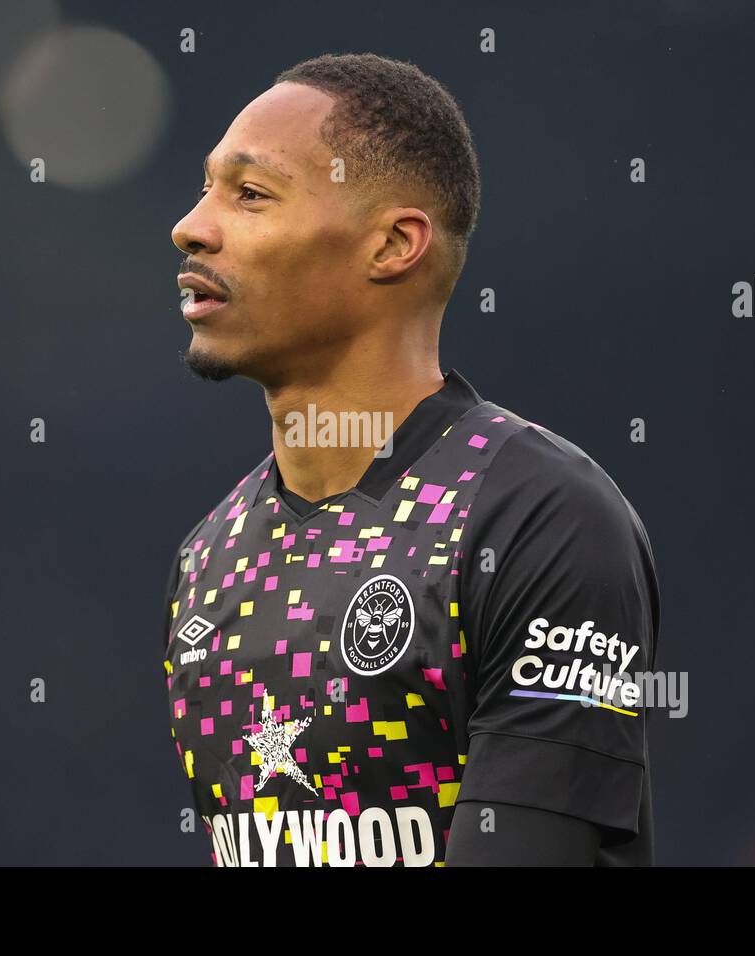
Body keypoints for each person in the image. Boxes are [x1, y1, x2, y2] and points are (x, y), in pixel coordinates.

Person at [163, 52, 660, 866]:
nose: (192, 225)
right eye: (205, 188)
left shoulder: (536, 517)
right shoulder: (210, 559)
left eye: (249, 195)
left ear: (393, 245)